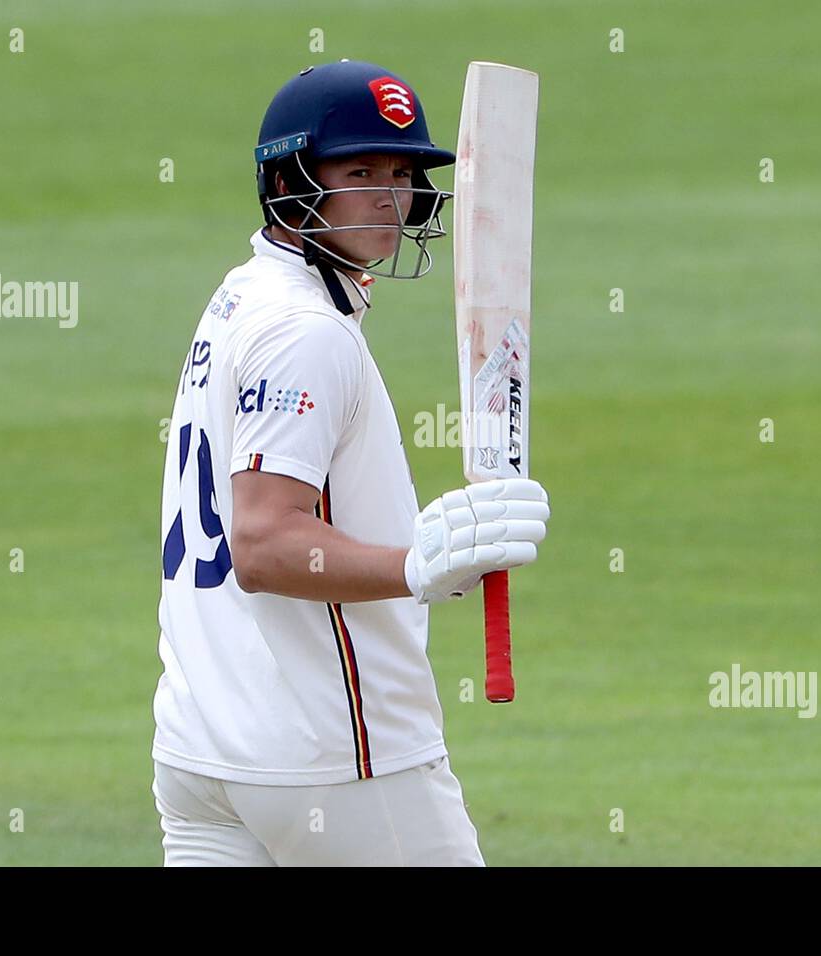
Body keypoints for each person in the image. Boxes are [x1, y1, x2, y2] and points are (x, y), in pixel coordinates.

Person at [149, 59, 550, 866]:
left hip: (202, 755)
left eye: (402, 173)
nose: (388, 196)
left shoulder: (238, 299)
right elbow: (262, 545)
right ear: (290, 178)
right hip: (335, 759)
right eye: (359, 170)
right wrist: (418, 566)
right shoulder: (307, 334)